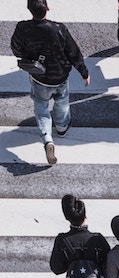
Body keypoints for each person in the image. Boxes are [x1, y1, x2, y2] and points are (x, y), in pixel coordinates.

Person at [10, 0, 91, 165]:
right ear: (47, 8)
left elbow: (16, 50)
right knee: (62, 102)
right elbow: (74, 53)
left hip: (39, 77)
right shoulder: (59, 29)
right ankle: (61, 128)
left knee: (41, 107)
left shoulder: (22, 28)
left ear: (29, 9)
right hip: (60, 76)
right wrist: (84, 72)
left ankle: (48, 140)